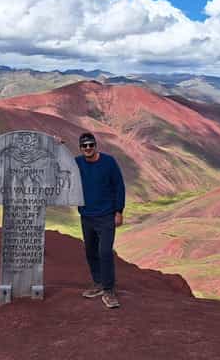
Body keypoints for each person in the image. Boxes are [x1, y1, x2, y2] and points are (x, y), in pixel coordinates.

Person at [74, 132, 125, 309]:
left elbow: (119, 186)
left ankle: (109, 290)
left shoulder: (109, 162)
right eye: (84, 146)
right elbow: (57, 165)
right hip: (86, 216)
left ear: (96, 145)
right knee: (90, 252)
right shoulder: (77, 163)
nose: (88, 148)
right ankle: (98, 283)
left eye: (91, 145)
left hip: (106, 216)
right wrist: (57, 145)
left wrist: (119, 211)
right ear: (80, 148)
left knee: (105, 252)